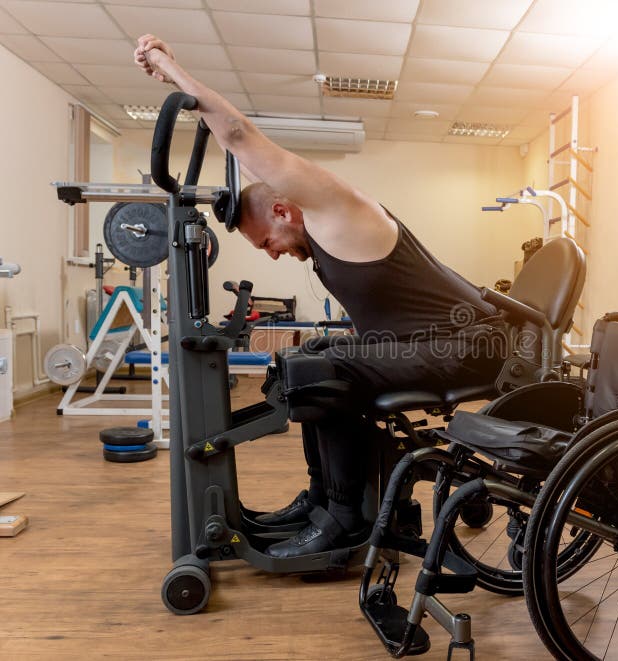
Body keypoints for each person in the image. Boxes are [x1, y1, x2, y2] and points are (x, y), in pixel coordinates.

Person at [134, 35, 505, 558]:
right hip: (425, 343)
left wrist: (170, 68)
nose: (272, 255)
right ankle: (322, 499)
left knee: (319, 371)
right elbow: (237, 150)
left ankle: (344, 517)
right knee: (305, 356)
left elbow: (238, 134)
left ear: (283, 211)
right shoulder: (315, 226)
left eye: (267, 242)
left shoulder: (336, 209)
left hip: (465, 346)